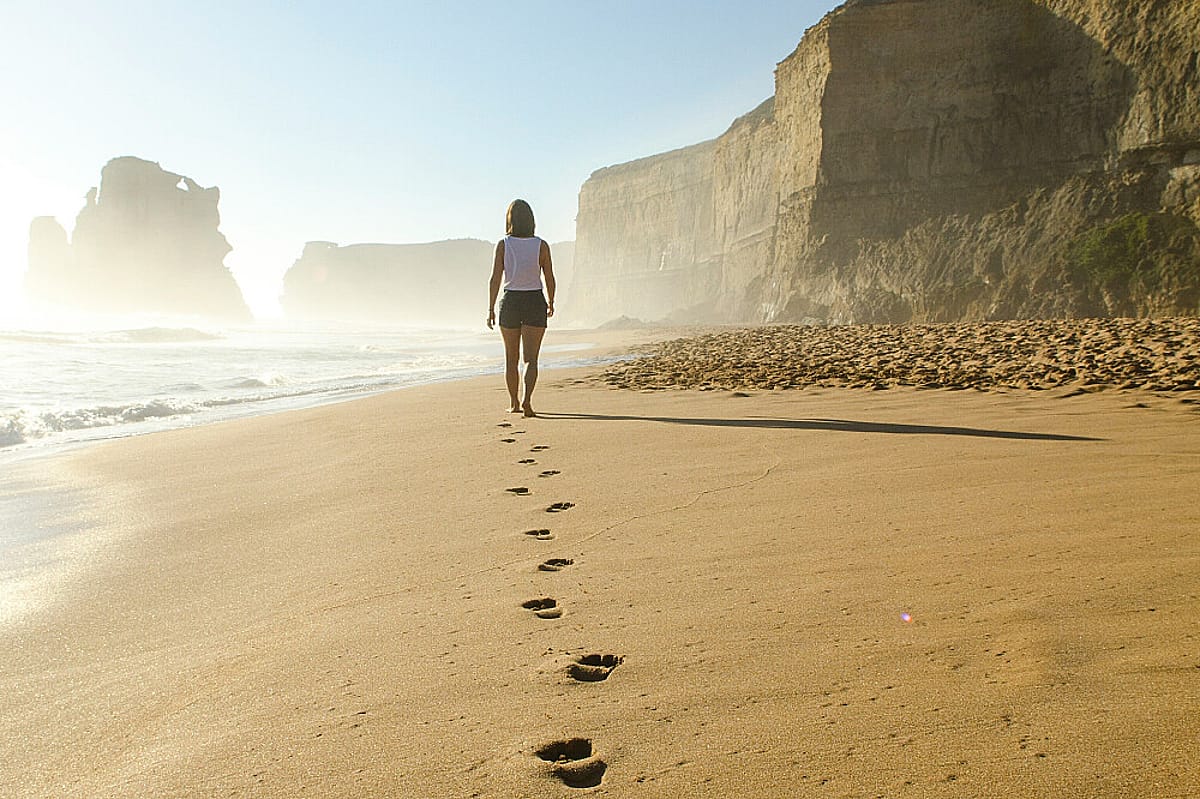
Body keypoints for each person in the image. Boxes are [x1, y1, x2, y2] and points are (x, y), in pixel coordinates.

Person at [487, 199, 556, 417]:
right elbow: (550, 277)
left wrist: (490, 309)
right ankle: (527, 401)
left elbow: (495, 278)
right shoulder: (541, 245)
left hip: (510, 301)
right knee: (531, 359)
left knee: (511, 358)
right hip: (535, 299)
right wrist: (551, 301)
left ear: (510, 220)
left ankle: (514, 402)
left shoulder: (503, 244)